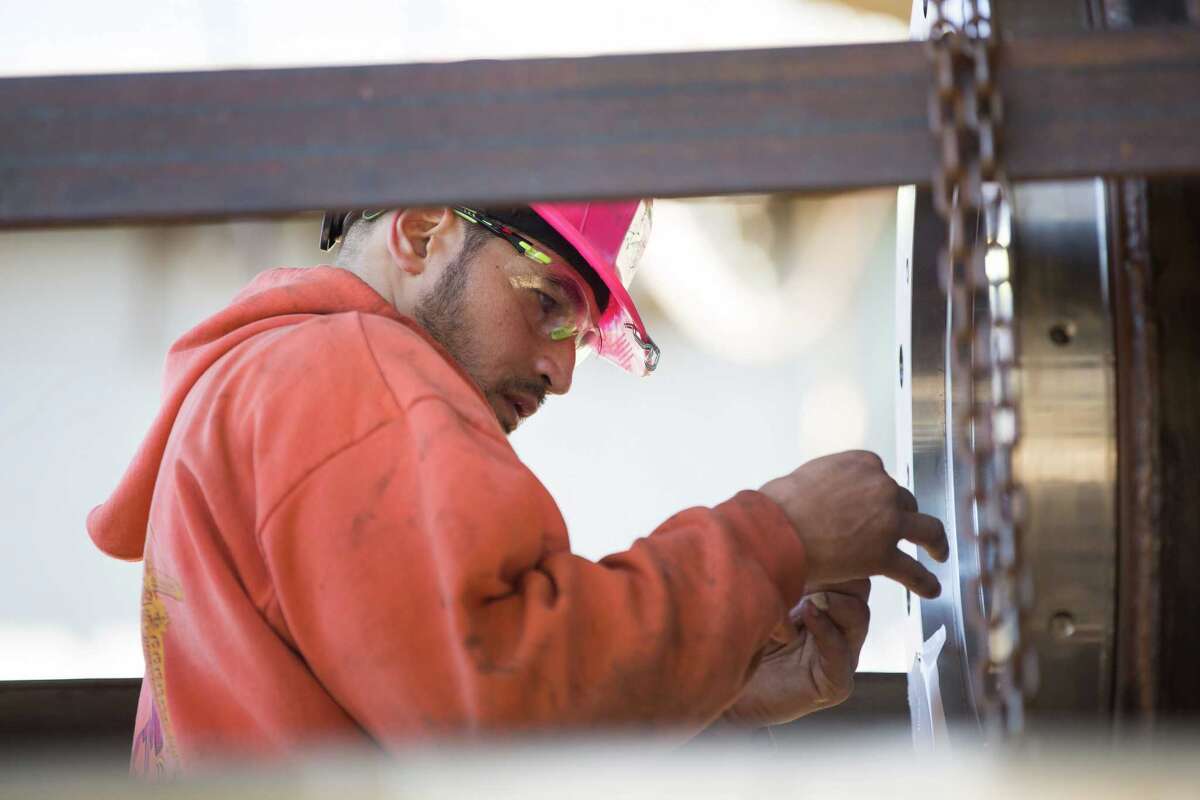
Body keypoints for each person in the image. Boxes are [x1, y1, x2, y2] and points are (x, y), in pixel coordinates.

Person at [88, 201, 948, 777]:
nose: (561, 371)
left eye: (578, 331)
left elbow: (434, 724)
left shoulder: (270, 386)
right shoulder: (345, 376)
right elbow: (498, 705)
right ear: (423, 233)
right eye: (546, 303)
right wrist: (781, 535)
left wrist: (717, 696)